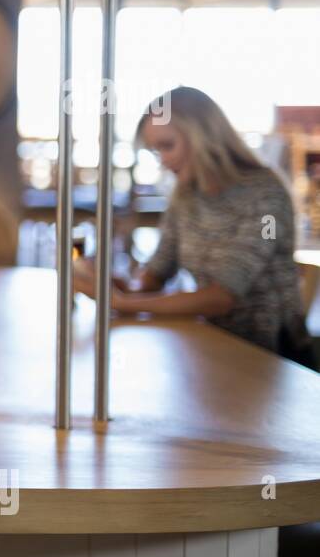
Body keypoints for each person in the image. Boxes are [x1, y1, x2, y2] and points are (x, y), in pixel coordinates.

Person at [74, 85, 313, 367]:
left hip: (274, 358)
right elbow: (154, 276)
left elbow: (221, 297)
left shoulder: (266, 195)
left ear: (203, 136)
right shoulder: (186, 194)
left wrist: (122, 303)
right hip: (213, 346)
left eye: (167, 145)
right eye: (155, 151)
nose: (163, 161)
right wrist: (111, 282)